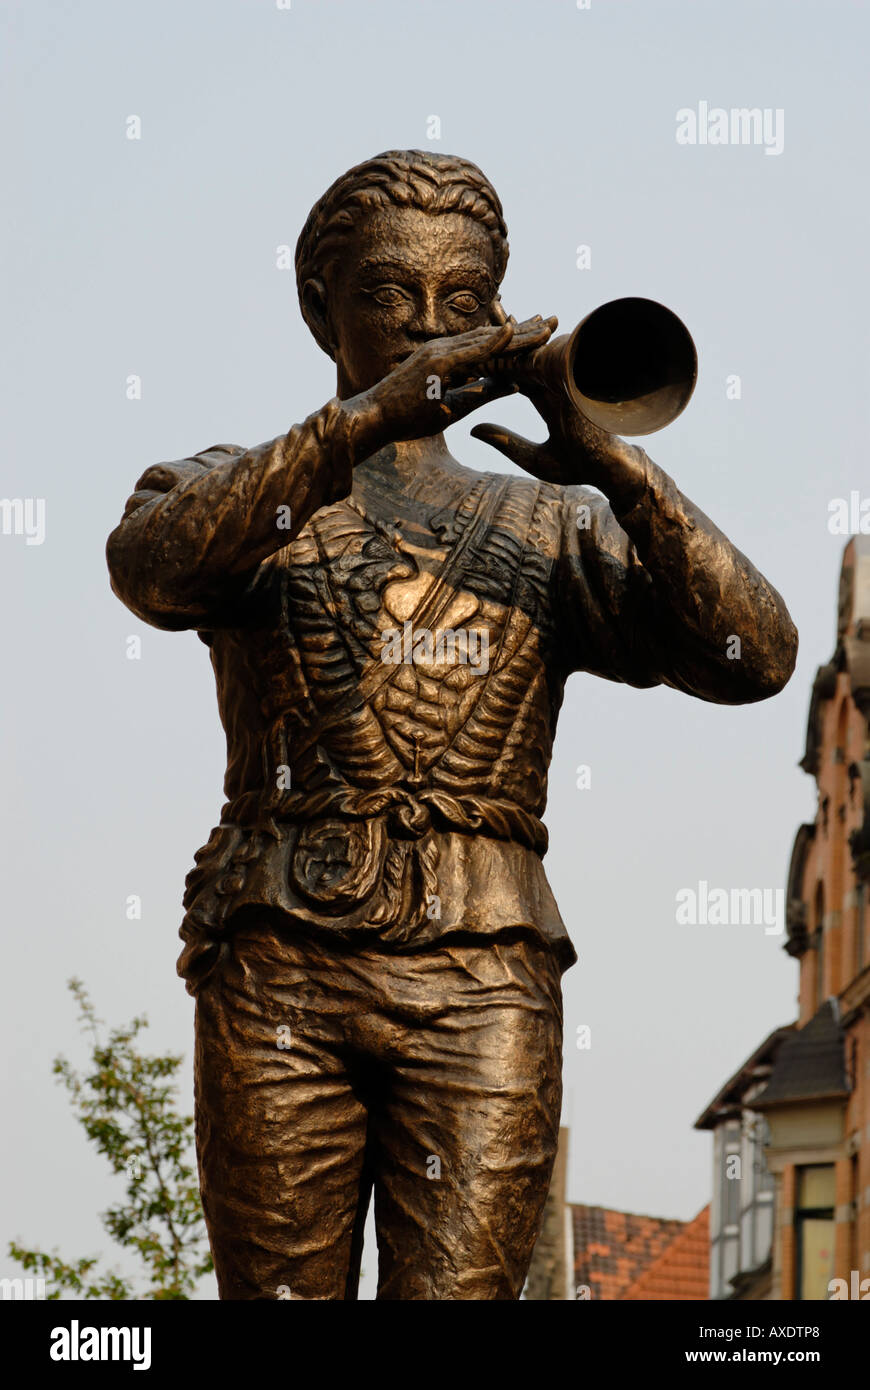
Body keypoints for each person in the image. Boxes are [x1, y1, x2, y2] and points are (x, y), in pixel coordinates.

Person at [106, 149, 797, 1300]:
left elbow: (757, 655)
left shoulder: (547, 526)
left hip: (486, 975)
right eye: (389, 295)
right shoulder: (242, 487)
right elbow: (154, 569)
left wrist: (620, 471)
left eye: (463, 305)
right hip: (281, 960)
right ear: (319, 305)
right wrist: (367, 422)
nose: (429, 325)